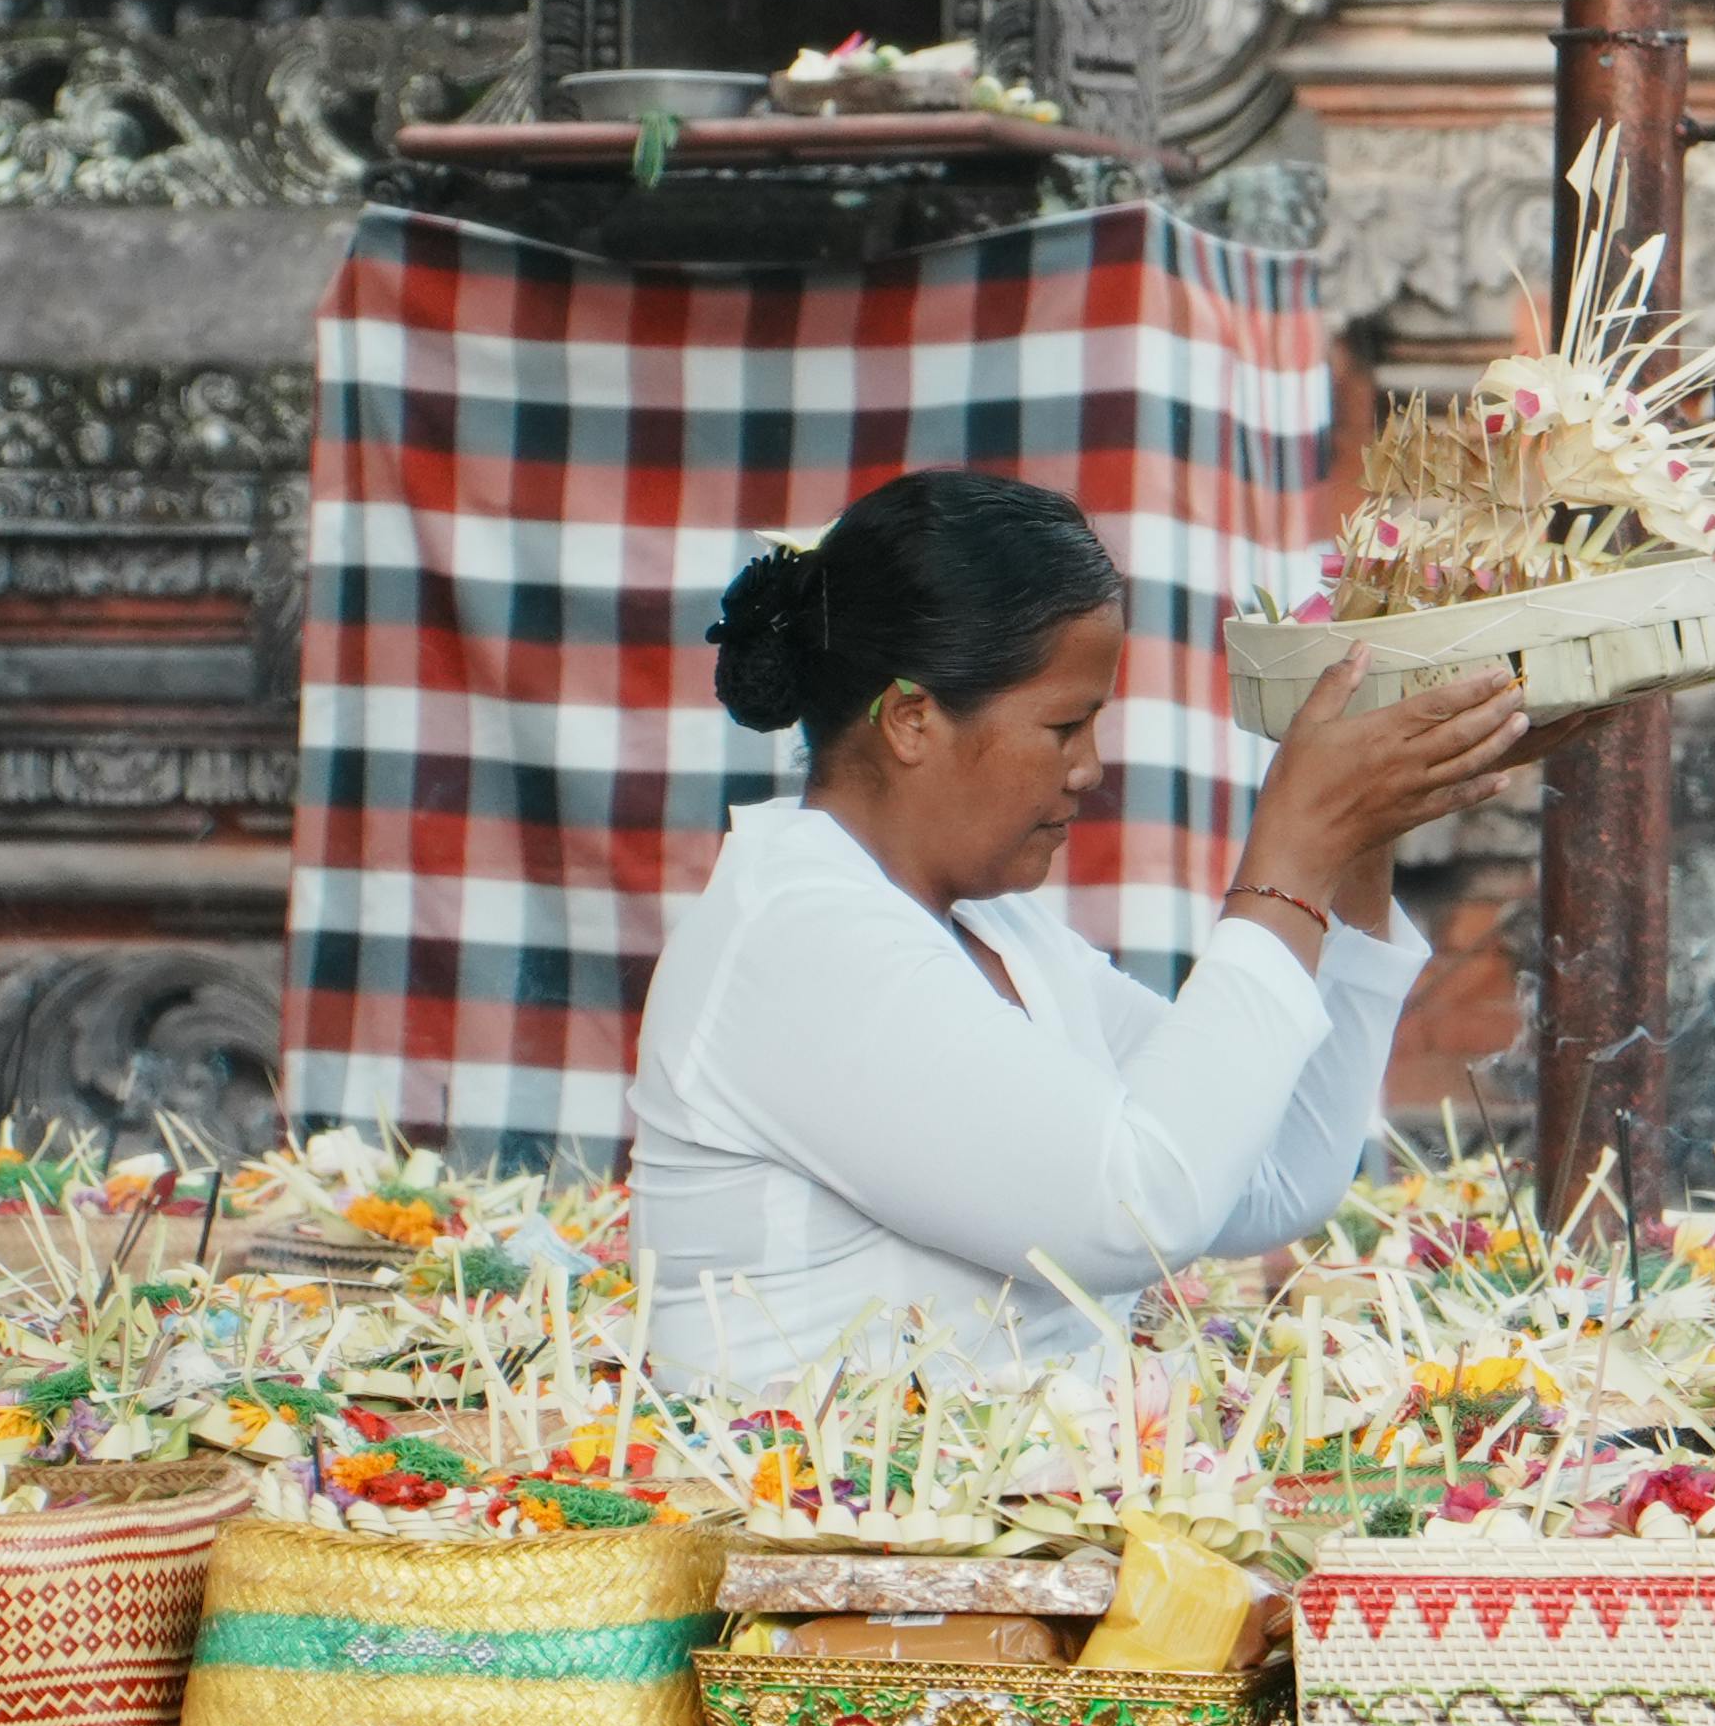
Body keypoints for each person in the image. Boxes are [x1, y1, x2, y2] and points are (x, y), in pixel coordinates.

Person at [630, 470, 1533, 1398]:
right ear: (911, 719)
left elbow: (1265, 1176)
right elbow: (1138, 1211)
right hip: (817, 1526)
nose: (1088, 769)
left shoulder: (992, 927)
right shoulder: (798, 940)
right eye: (1064, 724)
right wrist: (1290, 860)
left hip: (996, 1517)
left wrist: (1357, 855)